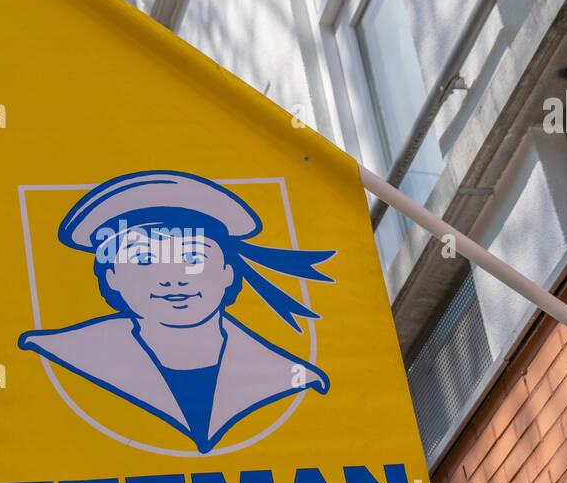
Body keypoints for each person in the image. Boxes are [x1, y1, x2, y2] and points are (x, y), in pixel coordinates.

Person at [19, 170, 336, 453]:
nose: (173, 278)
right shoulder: (63, 359)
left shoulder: (288, 376)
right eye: (143, 259)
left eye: (193, 257)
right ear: (111, 277)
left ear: (228, 271)